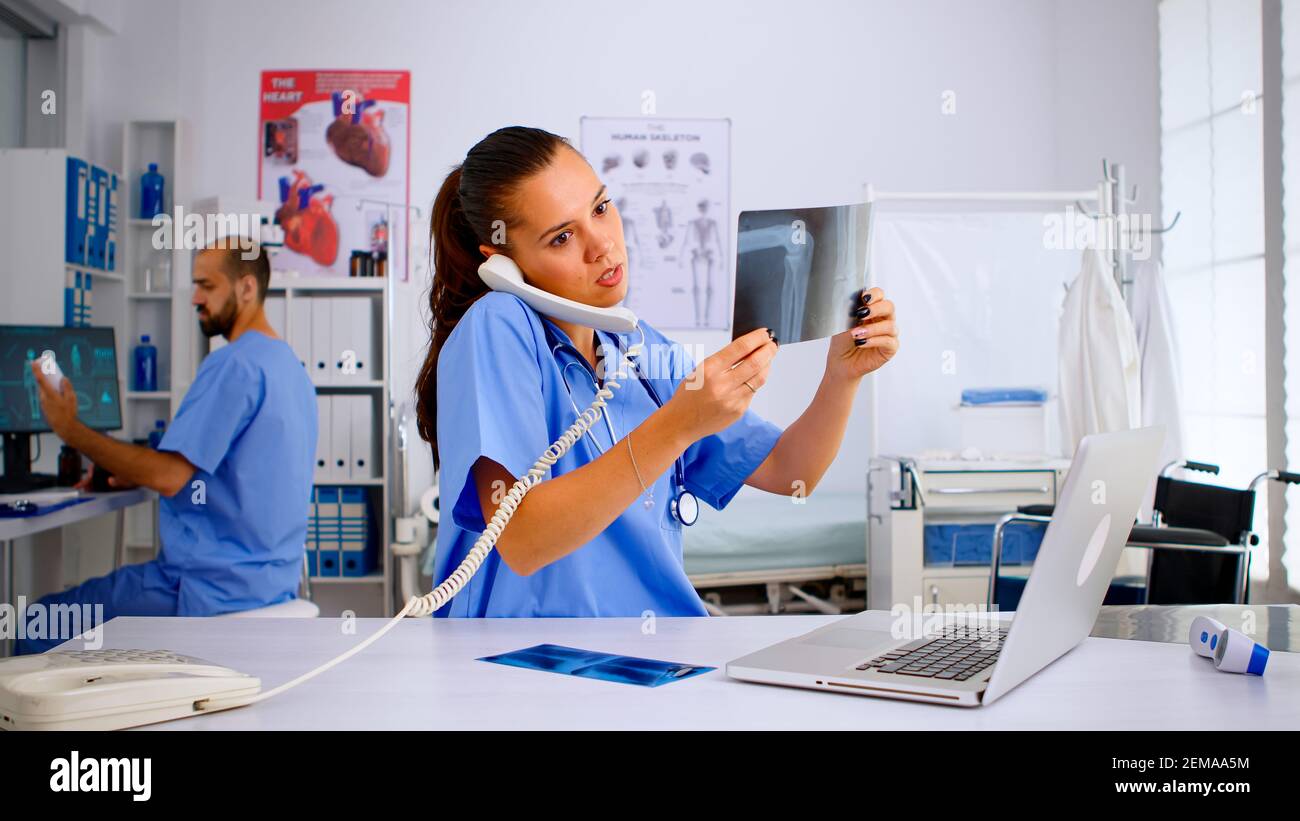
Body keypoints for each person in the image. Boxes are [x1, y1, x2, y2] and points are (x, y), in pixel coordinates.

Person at [416, 126, 899, 618]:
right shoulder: (498, 325)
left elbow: (792, 471)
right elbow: (523, 538)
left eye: (601, 208)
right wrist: (681, 423)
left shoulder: (641, 348)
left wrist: (842, 376)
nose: (601, 246)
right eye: (562, 237)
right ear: (501, 263)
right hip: (533, 666)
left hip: (656, 657)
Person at [17, 239, 317, 653]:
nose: (195, 298)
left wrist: (70, 429)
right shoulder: (289, 368)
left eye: (206, 286)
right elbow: (236, 475)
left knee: (36, 623)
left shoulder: (234, 364)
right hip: (268, 583)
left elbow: (169, 476)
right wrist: (132, 469)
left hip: (205, 588)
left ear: (247, 288)